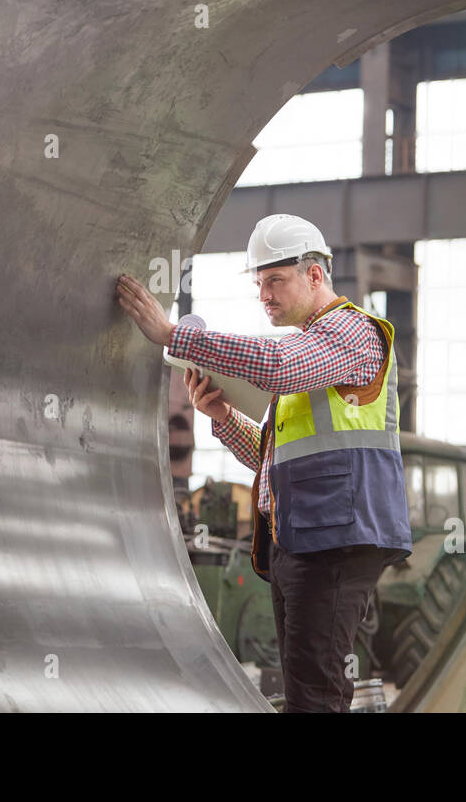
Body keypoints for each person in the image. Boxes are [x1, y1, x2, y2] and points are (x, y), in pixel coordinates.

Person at [115, 214, 412, 712]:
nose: (265, 296)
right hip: (302, 540)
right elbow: (273, 462)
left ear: (315, 275)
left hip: (337, 539)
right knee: (307, 690)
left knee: (314, 695)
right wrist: (223, 414)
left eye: (274, 280)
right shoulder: (309, 356)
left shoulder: (350, 332)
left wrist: (172, 335)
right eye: (259, 284)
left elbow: (277, 365)